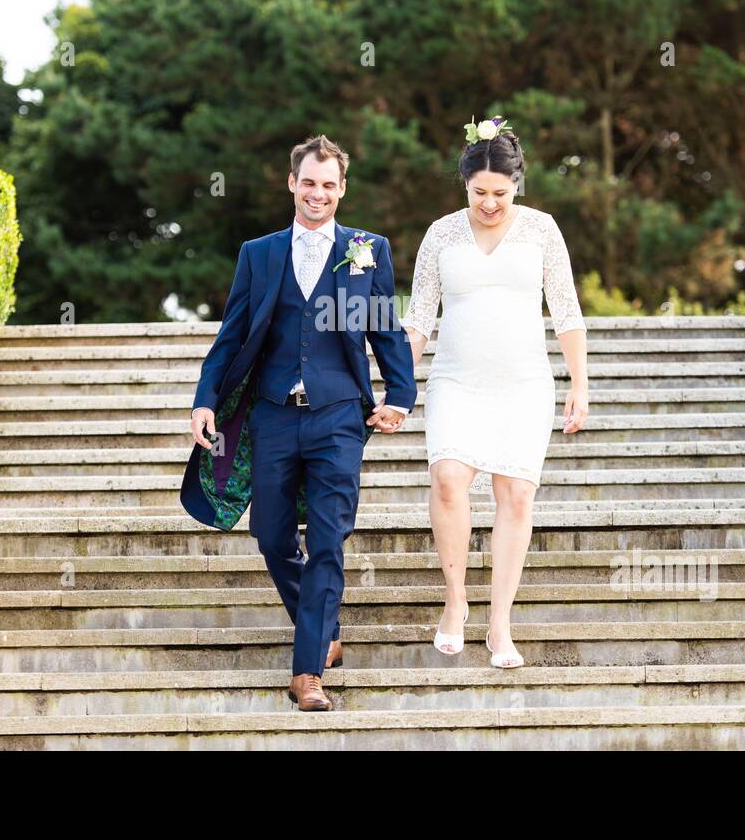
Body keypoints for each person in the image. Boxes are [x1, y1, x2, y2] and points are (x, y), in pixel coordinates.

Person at [180, 134, 417, 710]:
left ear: (342, 189)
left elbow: (383, 328)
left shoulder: (367, 249)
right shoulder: (258, 254)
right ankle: (323, 630)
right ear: (292, 183)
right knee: (273, 537)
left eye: (329, 185)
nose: (318, 193)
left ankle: (306, 671)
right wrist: (205, 397)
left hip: (339, 416)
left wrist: (401, 395)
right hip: (273, 416)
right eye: (308, 182)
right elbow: (232, 333)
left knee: (330, 539)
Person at [400, 117, 589, 669]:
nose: (489, 203)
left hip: (524, 382)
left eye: (500, 193)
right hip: (456, 378)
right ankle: (456, 600)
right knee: (448, 477)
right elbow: (418, 319)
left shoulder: (542, 230)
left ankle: (500, 623)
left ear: (518, 185)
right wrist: (396, 382)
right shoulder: (440, 233)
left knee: (517, 495)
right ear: (465, 186)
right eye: (479, 192)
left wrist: (580, 384)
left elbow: (568, 311)